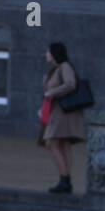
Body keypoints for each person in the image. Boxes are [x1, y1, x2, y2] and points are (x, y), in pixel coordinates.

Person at [40, 42, 86, 194]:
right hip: (58, 111)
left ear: (54, 53)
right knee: (63, 144)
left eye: (48, 52)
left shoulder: (65, 66)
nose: (46, 54)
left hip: (65, 112)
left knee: (51, 142)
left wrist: (51, 93)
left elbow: (70, 84)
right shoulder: (55, 69)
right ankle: (65, 182)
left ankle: (65, 179)